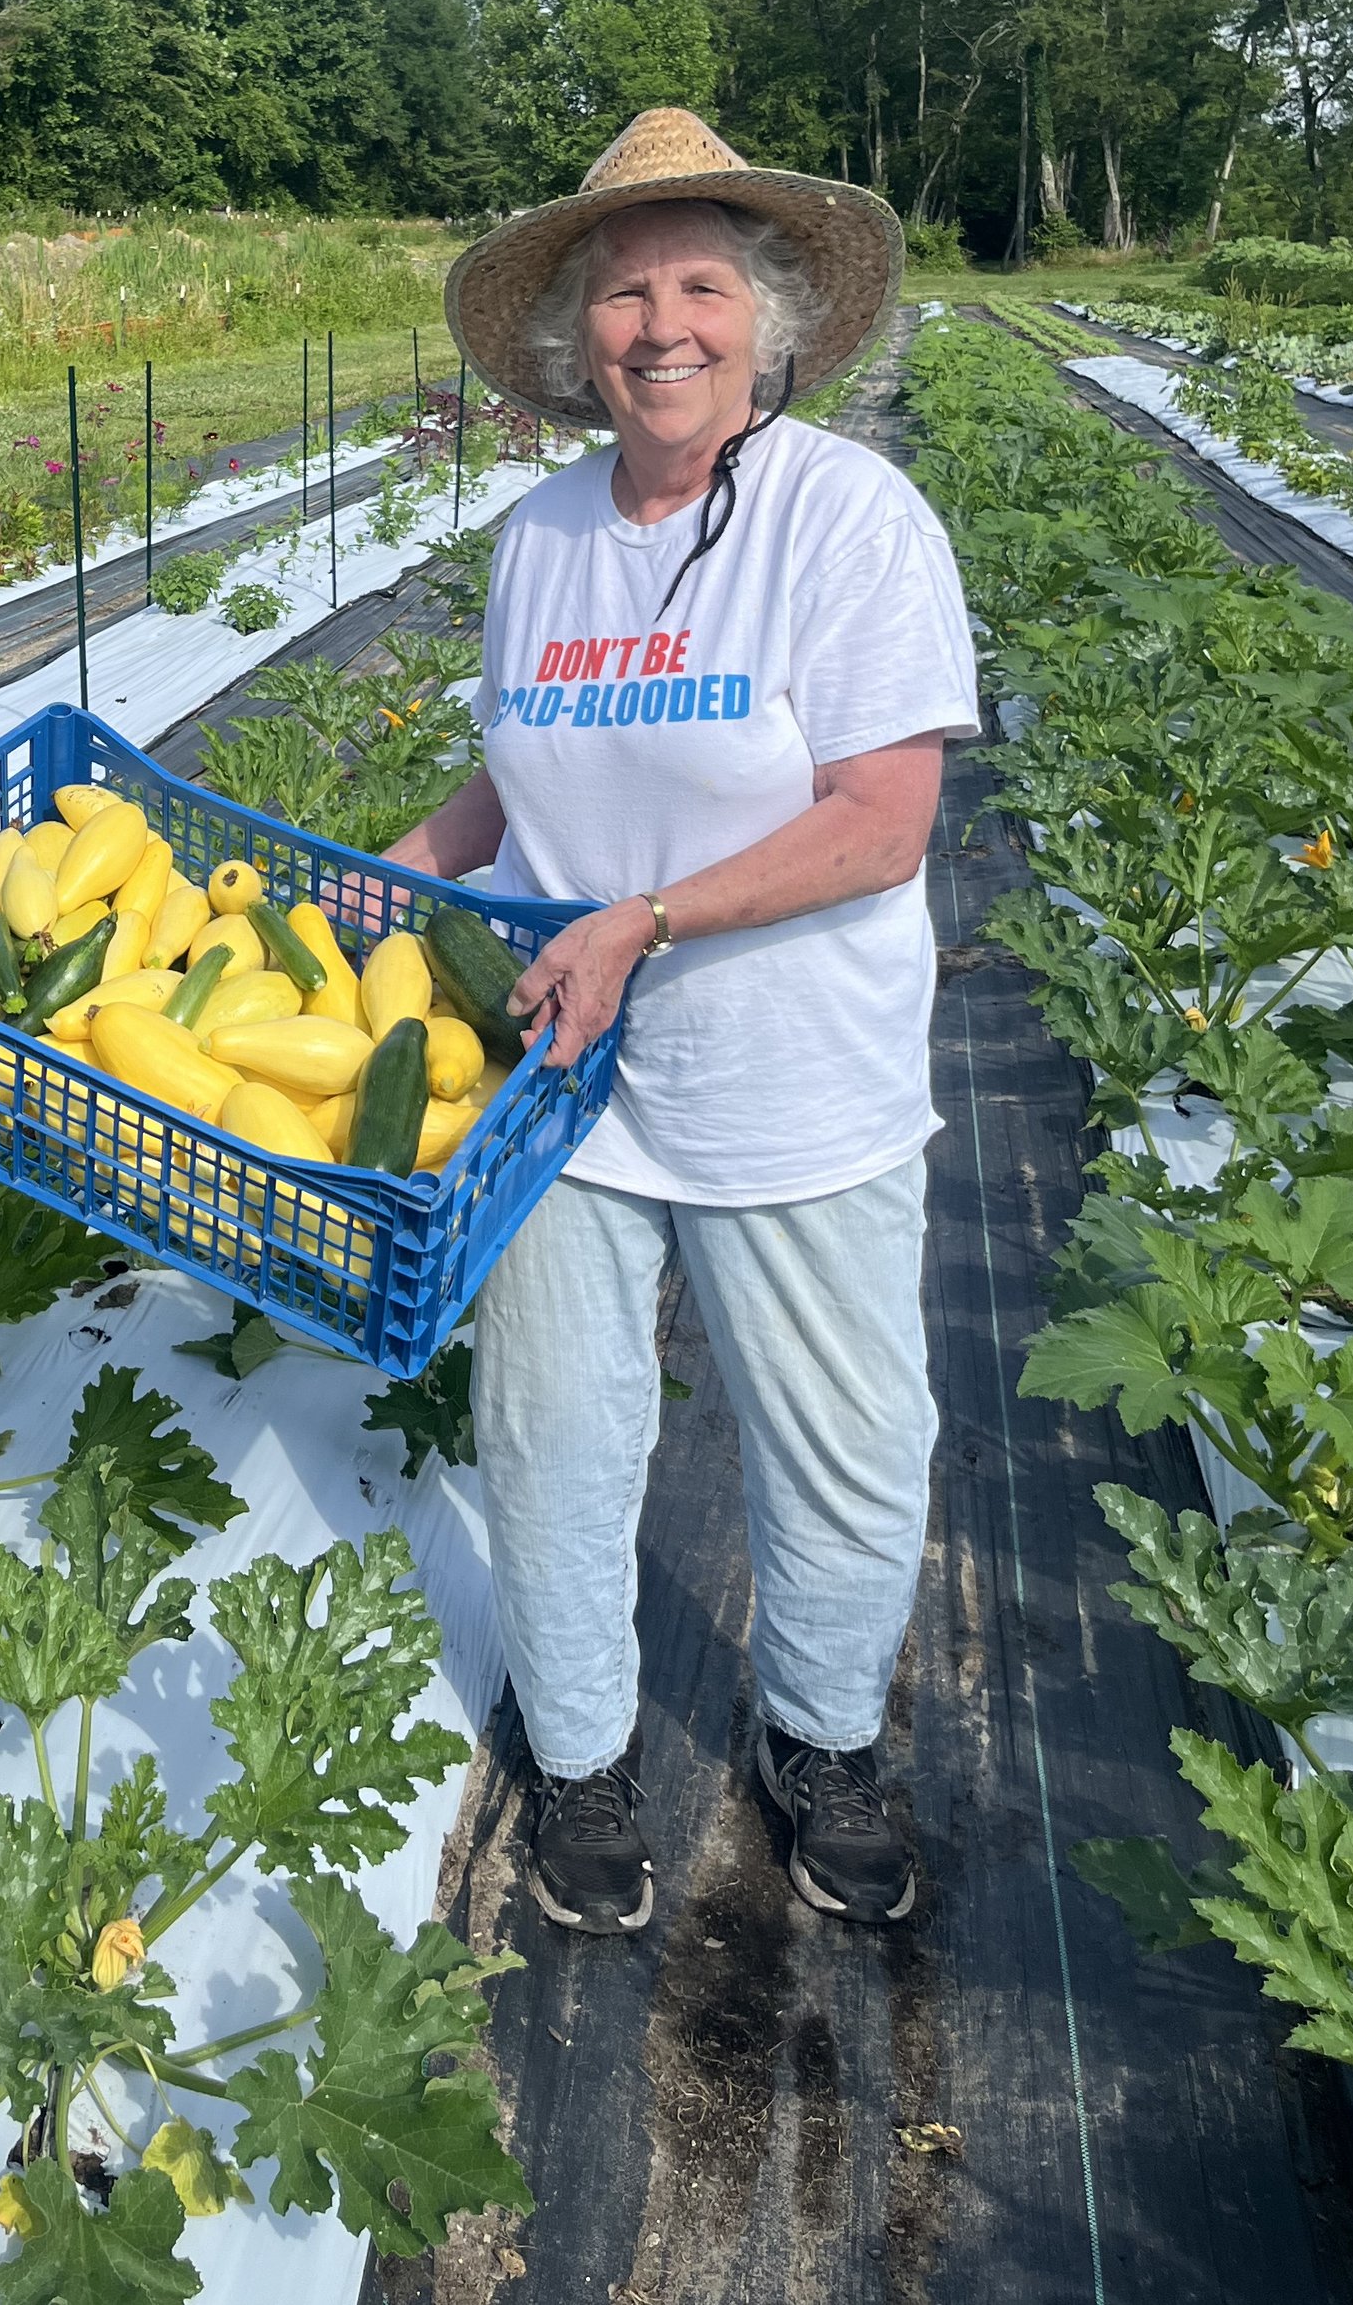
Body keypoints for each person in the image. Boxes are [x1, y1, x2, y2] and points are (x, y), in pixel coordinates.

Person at [390, 107, 979, 1931]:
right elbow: (510, 790)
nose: (663, 325)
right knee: (557, 1435)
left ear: (771, 318)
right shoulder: (542, 539)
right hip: (566, 1077)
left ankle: (821, 1738)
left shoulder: (850, 518)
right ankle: (577, 1755)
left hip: (795, 1077)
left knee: (848, 1441)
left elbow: (883, 821)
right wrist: (380, 879)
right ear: (577, 339)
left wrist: (648, 916)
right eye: (627, 291)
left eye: (704, 284)